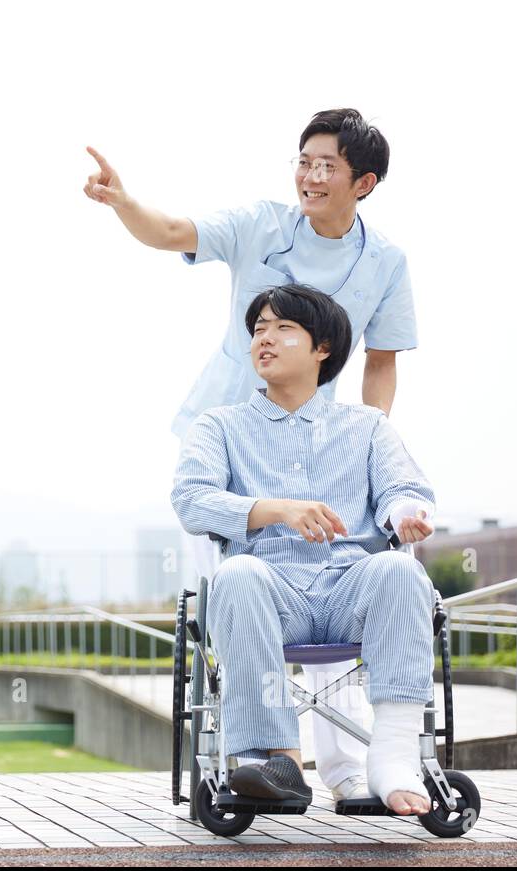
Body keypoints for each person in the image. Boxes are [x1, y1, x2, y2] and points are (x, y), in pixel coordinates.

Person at [84, 108, 416, 802]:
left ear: (365, 182)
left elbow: (382, 362)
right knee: (241, 588)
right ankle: (267, 753)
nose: (311, 175)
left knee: (344, 572)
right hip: (230, 455)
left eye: (327, 165)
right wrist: (123, 204)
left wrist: (365, 447)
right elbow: (173, 232)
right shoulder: (263, 225)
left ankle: (352, 767)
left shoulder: (385, 262)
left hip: (326, 449)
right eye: (304, 160)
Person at [171, 283, 436, 814]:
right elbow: (191, 500)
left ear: (323, 349)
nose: (263, 339)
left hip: (349, 592)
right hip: (269, 596)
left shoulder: (366, 427)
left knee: (400, 571)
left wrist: (406, 516)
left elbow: (403, 491)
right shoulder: (218, 426)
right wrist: (277, 508)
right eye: (257, 329)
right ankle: (278, 761)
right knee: (238, 572)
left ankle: (393, 759)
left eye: (282, 328)